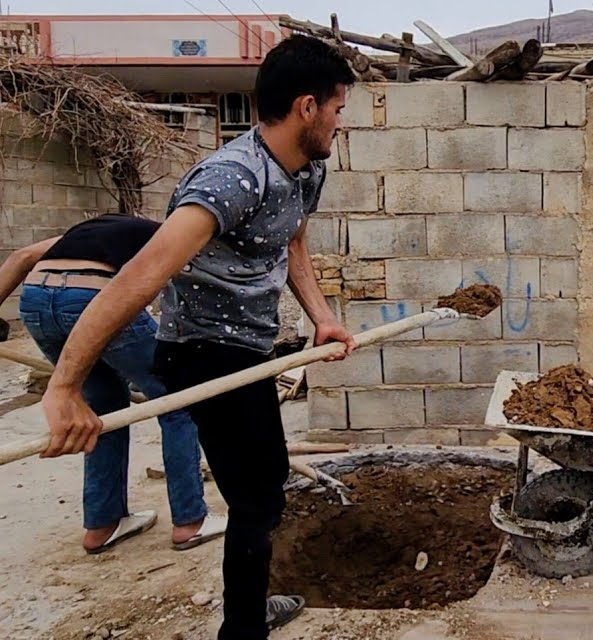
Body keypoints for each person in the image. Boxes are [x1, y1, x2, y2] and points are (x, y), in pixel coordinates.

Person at [36, 35, 358, 640]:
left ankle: (249, 608)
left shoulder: (306, 171)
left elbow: (292, 240)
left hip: (250, 350)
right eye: (339, 110)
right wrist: (64, 386)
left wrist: (322, 315)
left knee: (261, 489)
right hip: (202, 353)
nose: (342, 125)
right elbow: (141, 274)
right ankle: (244, 628)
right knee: (259, 498)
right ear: (307, 107)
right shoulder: (232, 178)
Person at [0, 215, 227, 554]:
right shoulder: (177, 234)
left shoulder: (86, 233)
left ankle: (103, 524)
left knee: (102, 406)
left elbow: (20, 258)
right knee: (177, 402)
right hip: (93, 296)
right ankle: (191, 521)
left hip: (35, 300)